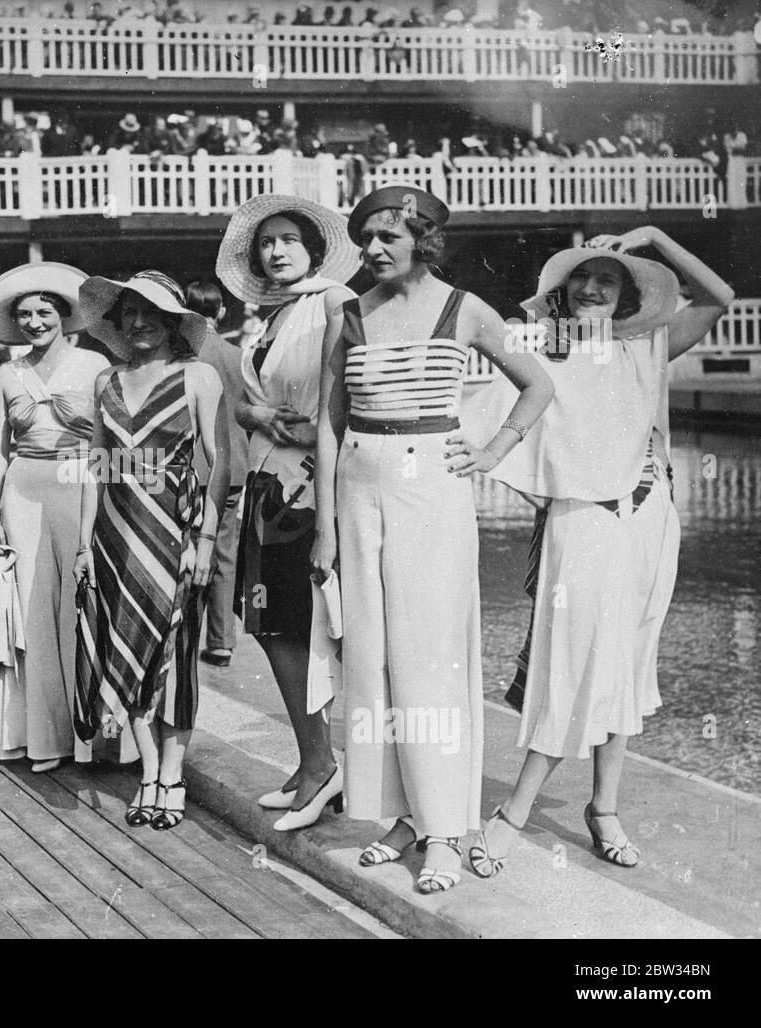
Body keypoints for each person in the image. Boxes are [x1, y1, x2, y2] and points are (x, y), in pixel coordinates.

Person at [465, 229, 732, 879]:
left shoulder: (648, 349)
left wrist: (654, 238)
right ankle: (515, 813)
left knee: (629, 668)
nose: (591, 290)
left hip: (650, 521)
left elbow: (719, 296)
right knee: (569, 667)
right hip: (580, 522)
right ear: (561, 294)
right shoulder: (544, 355)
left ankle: (604, 809)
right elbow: (474, 421)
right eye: (581, 280)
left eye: (607, 281)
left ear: (626, 297)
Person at [313, 186, 553, 892]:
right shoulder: (349, 312)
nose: (375, 250)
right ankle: (403, 814)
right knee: (375, 656)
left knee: (433, 658)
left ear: (425, 239)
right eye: (366, 238)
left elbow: (536, 386)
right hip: (359, 487)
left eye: (389, 236)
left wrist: (491, 450)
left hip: (431, 490)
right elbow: (330, 421)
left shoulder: (465, 309)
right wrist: (325, 524)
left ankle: (447, 828)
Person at [216, 195, 360, 832]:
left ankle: (325, 767)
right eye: (266, 244)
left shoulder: (332, 302)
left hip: (310, 487)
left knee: (300, 627)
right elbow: (252, 403)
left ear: (313, 250)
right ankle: (312, 763)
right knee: (272, 628)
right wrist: (255, 415)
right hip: (266, 486)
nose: (275, 252)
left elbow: (347, 395)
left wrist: (309, 443)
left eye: (287, 241)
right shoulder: (270, 317)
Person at [74, 271, 229, 831]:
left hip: (174, 533)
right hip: (115, 534)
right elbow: (95, 468)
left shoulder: (198, 376)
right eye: (130, 312)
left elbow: (219, 465)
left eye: (151, 313)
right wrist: (85, 545)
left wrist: (205, 540)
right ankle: (147, 775)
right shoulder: (105, 381)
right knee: (126, 652)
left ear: (172, 321)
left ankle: (174, 775)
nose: (138, 323)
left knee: (176, 656)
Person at [0, 263, 114, 771]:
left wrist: (109, 499)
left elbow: (109, 445)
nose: (35, 322)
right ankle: (45, 739)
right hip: (23, 489)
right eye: (25, 314)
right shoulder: (8, 374)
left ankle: (93, 737)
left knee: (80, 604)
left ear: (64, 315)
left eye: (44, 311)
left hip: (81, 486)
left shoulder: (95, 365)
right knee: (33, 610)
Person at [184, 281, 247, 668]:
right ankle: (222, 640)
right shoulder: (238, 355)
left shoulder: (185, 355)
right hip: (233, 466)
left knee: (190, 550)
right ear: (221, 312)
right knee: (225, 553)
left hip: (193, 466)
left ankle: (187, 635)